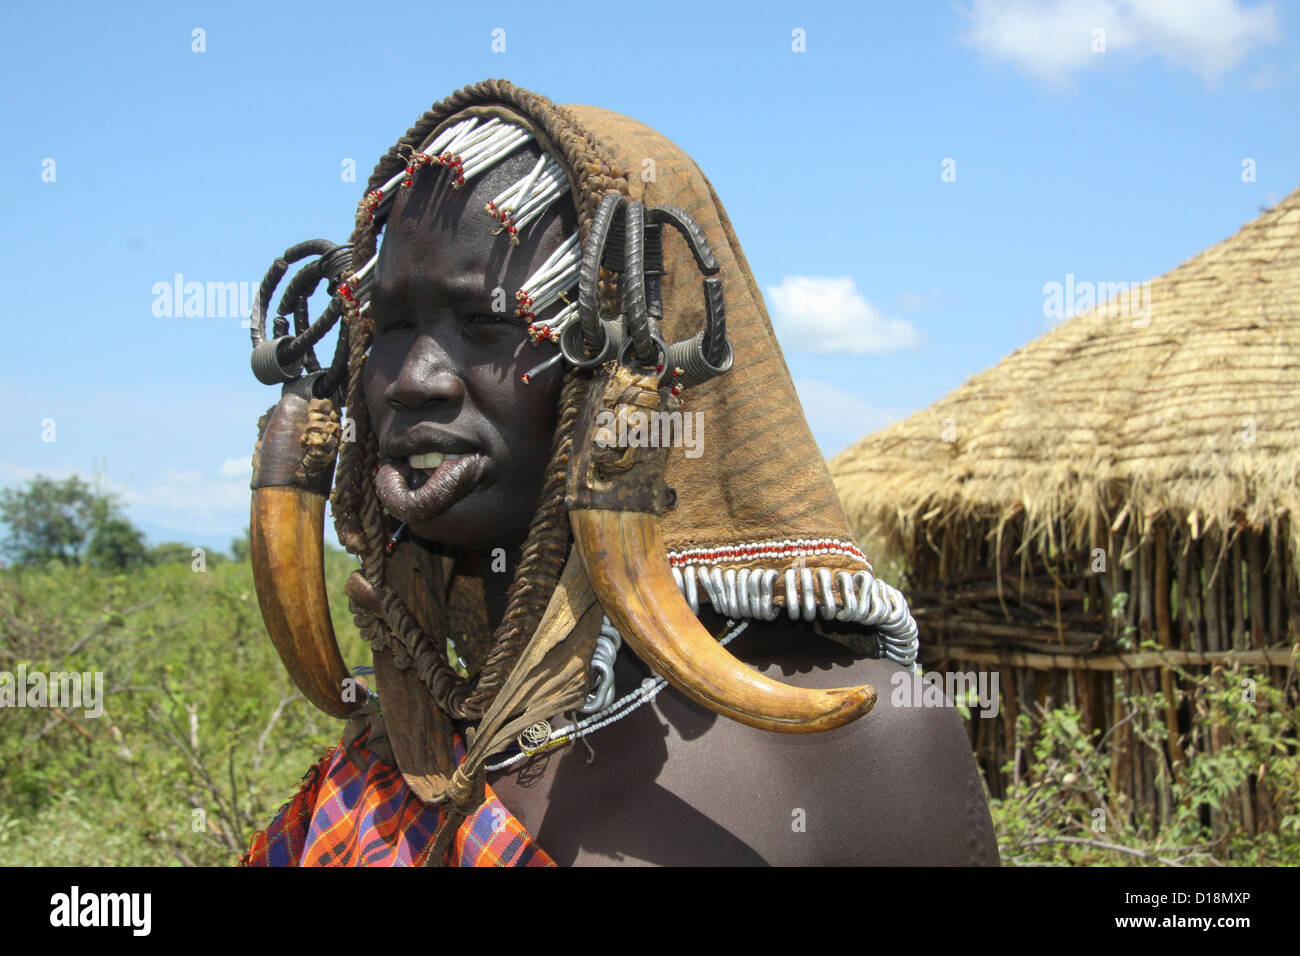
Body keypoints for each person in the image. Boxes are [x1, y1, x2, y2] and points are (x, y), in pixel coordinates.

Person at [240, 79, 1000, 866]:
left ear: (644, 358)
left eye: (488, 323)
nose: (413, 379)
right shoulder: (399, 748)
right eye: (390, 326)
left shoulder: (859, 742)